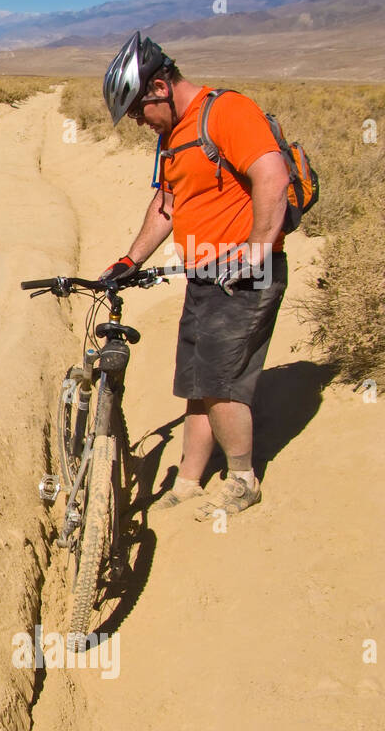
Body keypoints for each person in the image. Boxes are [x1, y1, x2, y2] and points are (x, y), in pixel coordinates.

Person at [100, 32, 290, 521]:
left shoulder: (226, 111)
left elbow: (272, 174)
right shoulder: (172, 137)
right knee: (195, 381)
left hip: (245, 276)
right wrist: (131, 259)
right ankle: (188, 481)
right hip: (205, 274)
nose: (139, 123)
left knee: (220, 381)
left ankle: (243, 480)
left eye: (139, 110)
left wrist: (258, 251)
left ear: (160, 87)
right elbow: (167, 205)